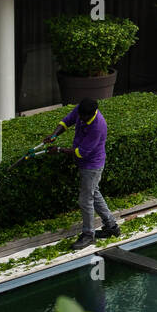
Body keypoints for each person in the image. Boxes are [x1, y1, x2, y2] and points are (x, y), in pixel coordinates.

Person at [47, 97, 120, 249]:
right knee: (94, 193)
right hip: (85, 163)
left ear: (92, 114)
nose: (79, 118)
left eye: (83, 117)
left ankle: (88, 235)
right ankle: (111, 226)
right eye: (79, 114)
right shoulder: (82, 110)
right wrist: (54, 135)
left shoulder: (98, 126)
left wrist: (59, 150)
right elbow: (67, 121)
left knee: (85, 200)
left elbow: (81, 153)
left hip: (92, 166)